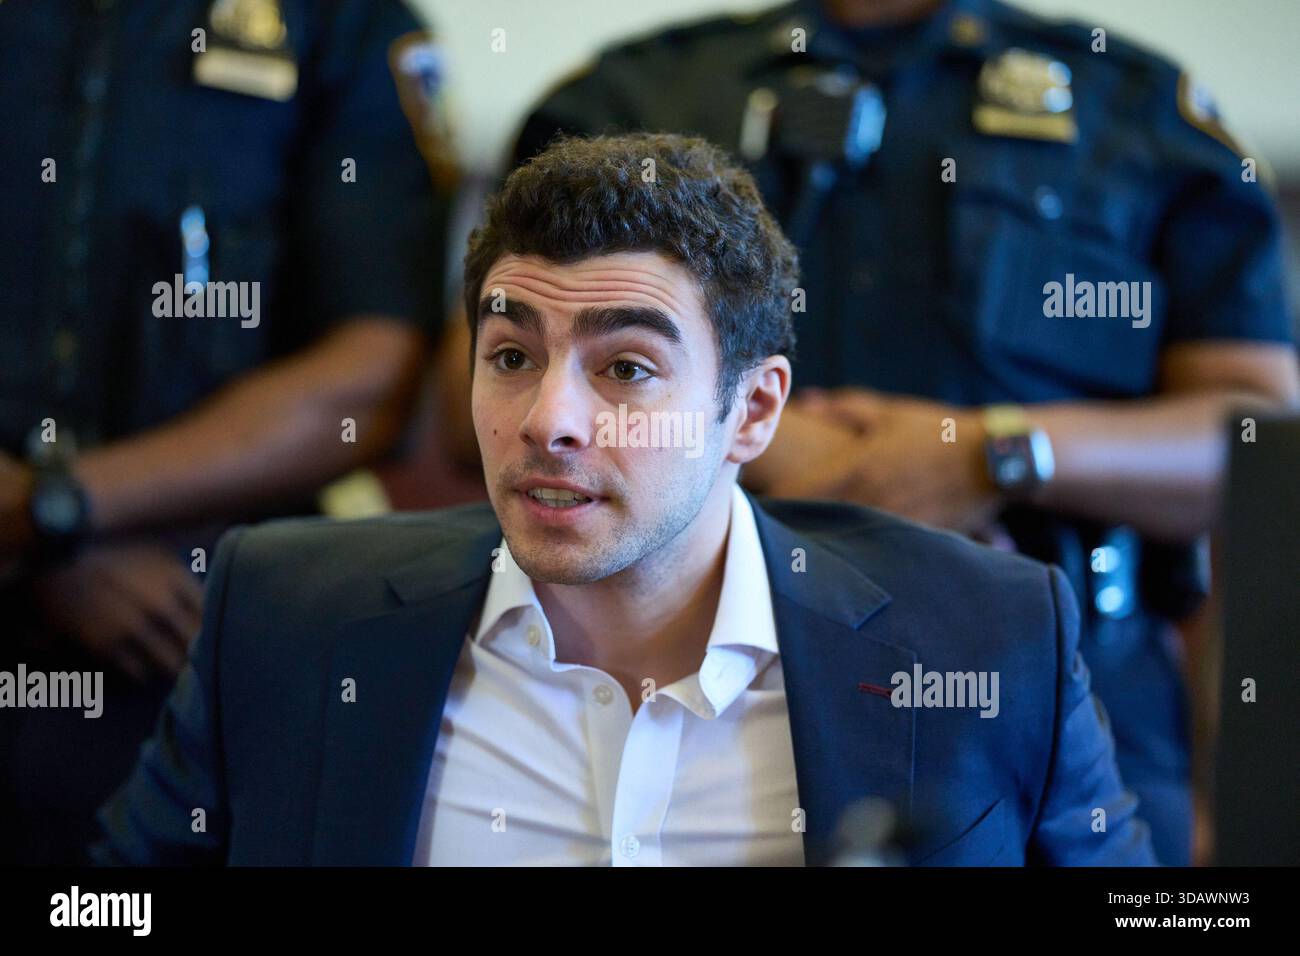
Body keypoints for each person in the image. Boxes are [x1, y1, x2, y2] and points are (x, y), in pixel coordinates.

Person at [91, 133, 1155, 866]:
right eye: (510, 353)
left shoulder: (989, 634)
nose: (547, 417)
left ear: (751, 411)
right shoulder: (288, 617)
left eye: (626, 368)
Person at [498, 0, 1300, 864]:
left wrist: (995, 453)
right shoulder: (631, 92)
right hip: (700, 687)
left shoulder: (1135, 109)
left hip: (1078, 686)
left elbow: (1259, 441)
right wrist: (748, 439)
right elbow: (490, 389)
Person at [0, 0, 453, 864]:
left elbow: (370, 375)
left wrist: (56, 513)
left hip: (191, 632)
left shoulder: (344, 25)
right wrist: (49, 538)